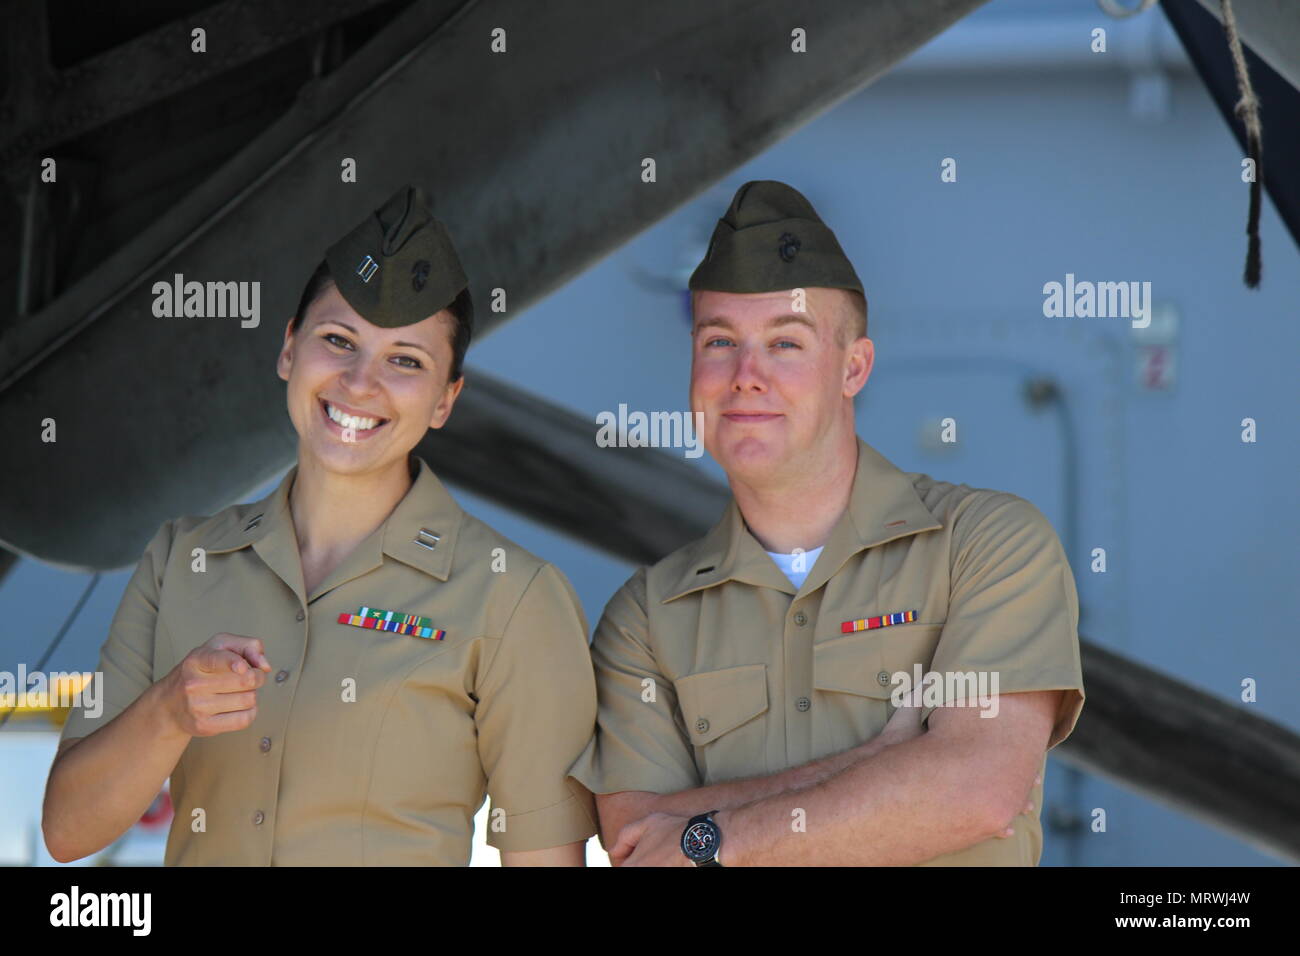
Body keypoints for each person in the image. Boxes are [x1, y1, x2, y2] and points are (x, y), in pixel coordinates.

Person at [43, 185, 598, 866]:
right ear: (288, 349)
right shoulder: (181, 560)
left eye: (406, 360)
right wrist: (168, 712)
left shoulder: (512, 595)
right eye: (338, 341)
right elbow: (67, 831)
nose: (360, 383)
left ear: (445, 400)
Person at [567, 180, 1085, 866]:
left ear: (853, 367)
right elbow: (639, 844)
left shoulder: (986, 544)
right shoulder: (646, 619)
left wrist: (711, 838)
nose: (745, 375)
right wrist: (885, 758)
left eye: (785, 343)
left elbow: (979, 789)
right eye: (719, 341)